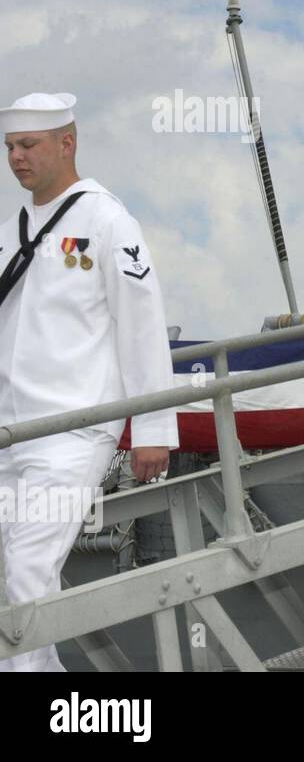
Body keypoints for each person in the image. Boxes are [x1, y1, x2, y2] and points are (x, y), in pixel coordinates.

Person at [0, 92, 176, 672]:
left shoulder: (106, 221)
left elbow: (142, 324)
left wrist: (152, 428)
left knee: (28, 568)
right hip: (11, 430)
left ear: (66, 143)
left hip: (74, 430)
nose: (16, 158)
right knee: (17, 573)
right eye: (9, 147)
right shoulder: (11, 230)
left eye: (28, 145)